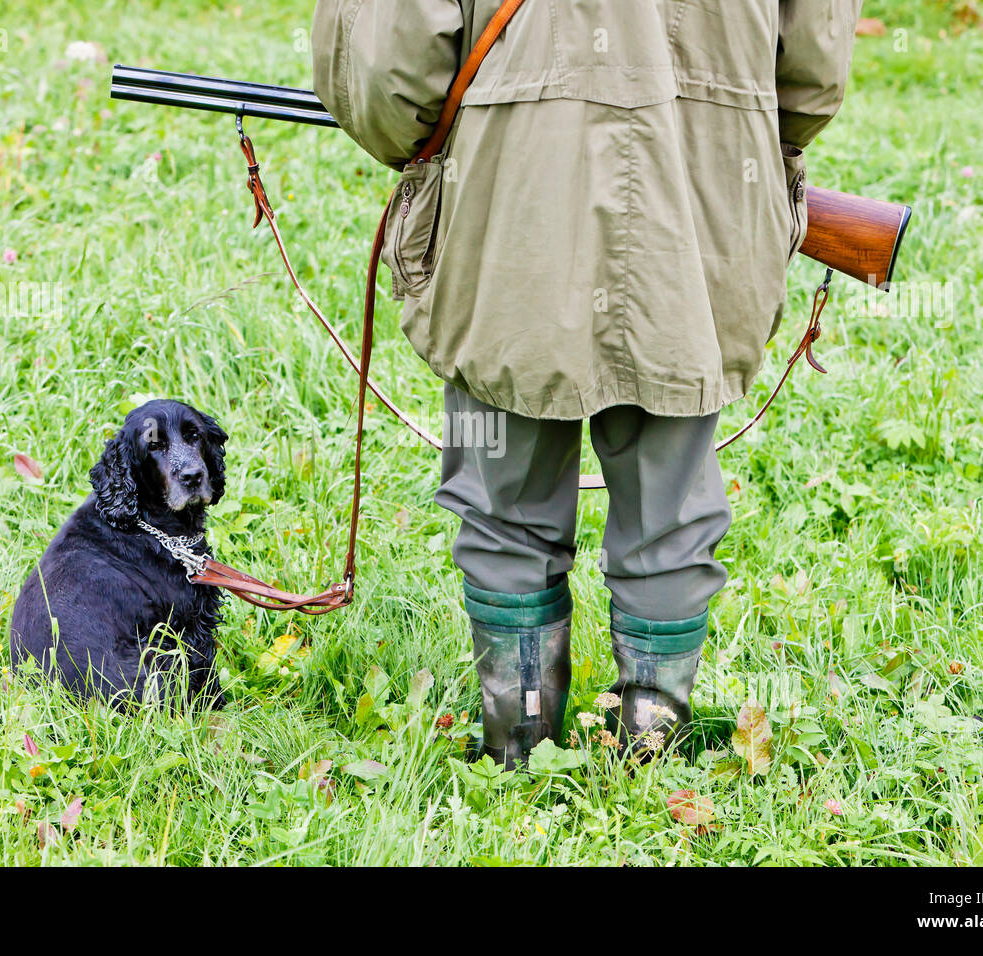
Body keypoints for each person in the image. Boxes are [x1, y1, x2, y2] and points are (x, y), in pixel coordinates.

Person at [312, 0, 862, 766]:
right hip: (702, 203)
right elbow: (812, 72)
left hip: (505, 217)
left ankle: (519, 747)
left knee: (498, 496)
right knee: (674, 511)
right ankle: (648, 748)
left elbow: (392, 73)